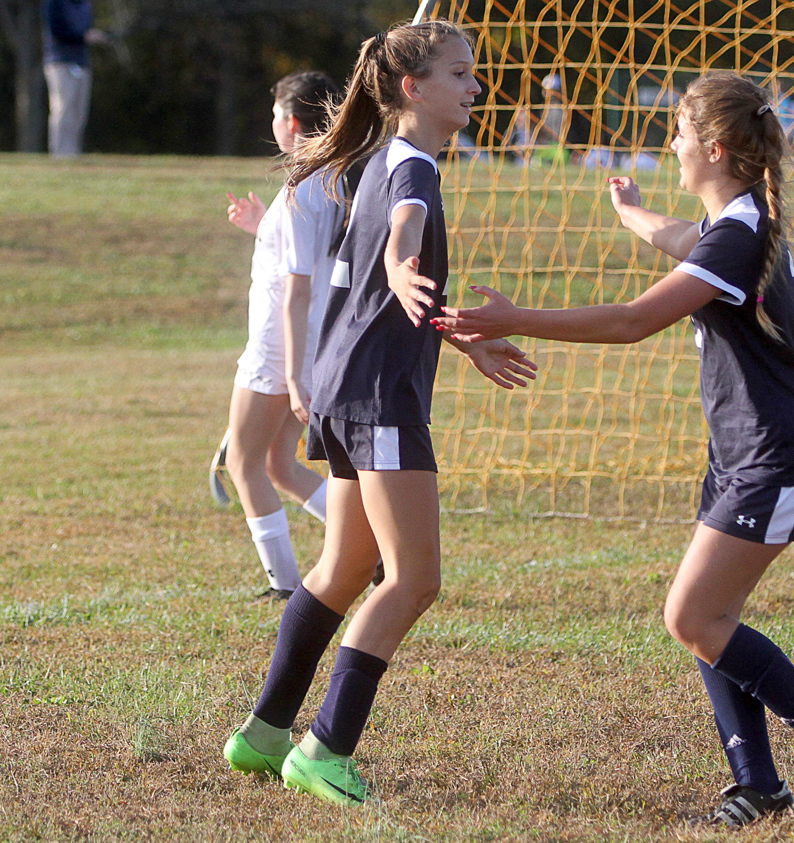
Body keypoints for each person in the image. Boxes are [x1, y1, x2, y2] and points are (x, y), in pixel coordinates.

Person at [435, 71, 794, 827]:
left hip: (784, 451)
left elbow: (633, 321)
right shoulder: (735, 226)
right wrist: (633, 216)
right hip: (751, 449)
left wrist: (516, 317)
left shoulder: (738, 238)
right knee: (711, 615)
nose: (668, 144)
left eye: (676, 133)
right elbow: (682, 238)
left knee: (693, 616)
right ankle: (757, 783)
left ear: (712, 147)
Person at [221, 20, 537, 805]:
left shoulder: (382, 160)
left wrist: (459, 339)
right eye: (461, 73)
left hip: (341, 383)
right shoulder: (414, 171)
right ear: (412, 88)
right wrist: (403, 262)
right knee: (413, 578)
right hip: (376, 396)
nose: (475, 86)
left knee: (346, 567)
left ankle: (263, 732)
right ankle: (323, 747)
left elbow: (374, 288)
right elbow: (402, 237)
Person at [222, 71, 347, 600]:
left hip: (281, 348)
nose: (271, 121)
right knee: (279, 464)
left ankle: (284, 585)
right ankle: (368, 549)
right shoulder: (335, 176)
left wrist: (293, 379)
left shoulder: (302, 188)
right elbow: (307, 257)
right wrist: (261, 228)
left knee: (242, 462)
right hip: (310, 343)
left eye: (275, 112)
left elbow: (297, 289)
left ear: (291, 122)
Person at [41, 0, 107, 157]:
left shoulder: (84, 4)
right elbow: (56, 30)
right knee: (63, 107)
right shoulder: (54, 3)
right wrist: (83, 36)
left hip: (81, 62)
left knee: (79, 111)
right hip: (60, 61)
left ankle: (73, 153)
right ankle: (60, 153)